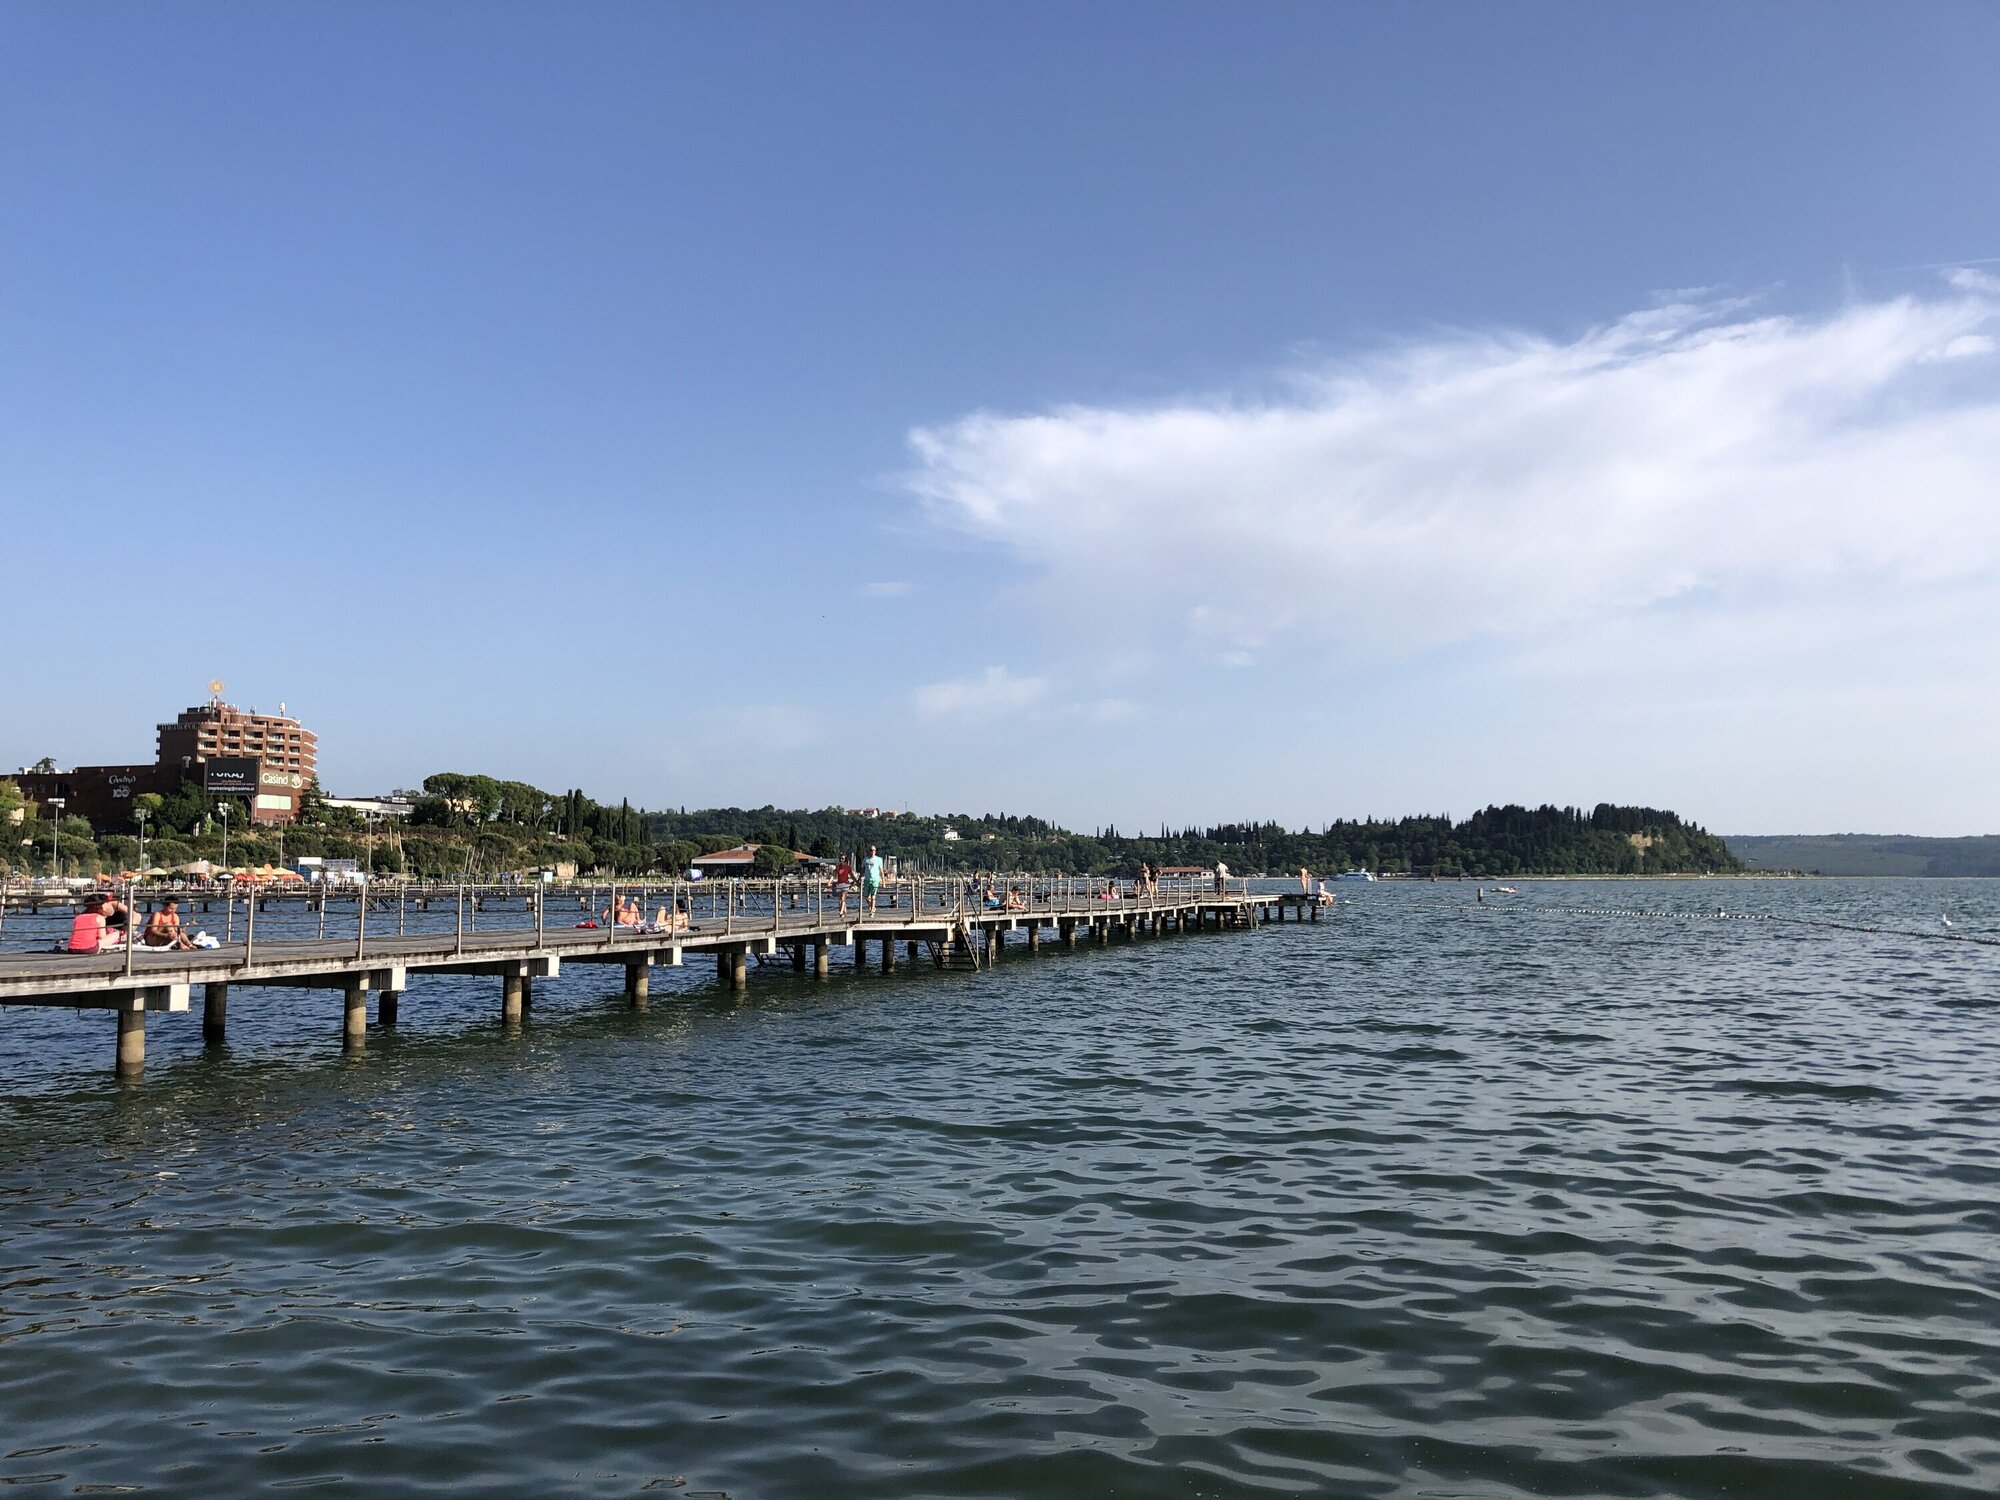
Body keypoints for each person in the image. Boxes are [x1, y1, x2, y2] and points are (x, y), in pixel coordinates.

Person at [861, 845, 885, 914]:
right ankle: (872, 906)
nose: (873, 851)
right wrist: (859, 878)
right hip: (867, 879)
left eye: (874, 850)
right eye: (871, 850)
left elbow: (881, 871)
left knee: (873, 895)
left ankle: (872, 909)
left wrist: (883, 882)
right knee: (865, 895)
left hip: (875, 879)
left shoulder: (878, 859)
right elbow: (862, 869)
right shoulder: (865, 859)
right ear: (869, 851)